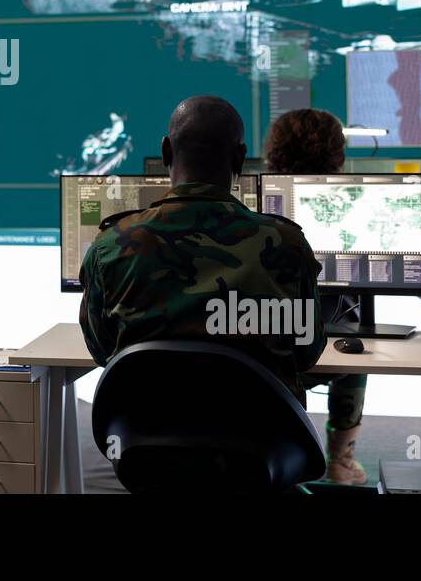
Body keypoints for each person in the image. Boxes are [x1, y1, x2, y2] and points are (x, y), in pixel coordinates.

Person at [79, 95, 324, 401]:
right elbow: (306, 353)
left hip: (147, 437)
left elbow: (102, 351)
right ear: (240, 158)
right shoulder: (287, 245)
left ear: (166, 151)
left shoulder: (111, 246)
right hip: (261, 439)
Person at [264, 107, 368, 485]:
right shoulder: (349, 202)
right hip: (323, 346)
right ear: (336, 153)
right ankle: (340, 458)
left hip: (255, 352)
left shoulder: (253, 202)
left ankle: (283, 452)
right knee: (356, 338)